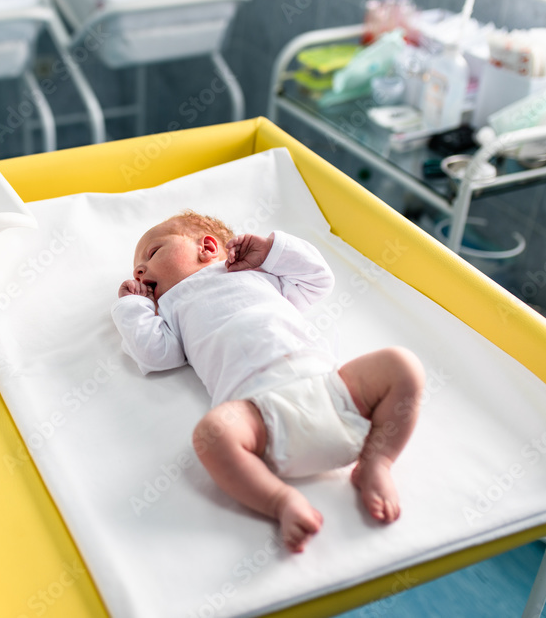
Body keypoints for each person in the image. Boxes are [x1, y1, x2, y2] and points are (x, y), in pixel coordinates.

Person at [111, 211, 424, 553]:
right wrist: (134, 307)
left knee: (402, 364)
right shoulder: (170, 309)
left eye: (152, 253)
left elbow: (318, 279)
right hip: (256, 410)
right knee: (211, 435)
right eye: (136, 268)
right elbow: (155, 353)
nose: (139, 270)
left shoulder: (255, 272)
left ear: (208, 246)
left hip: (329, 387)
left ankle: (376, 463)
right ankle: (279, 500)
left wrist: (271, 250)